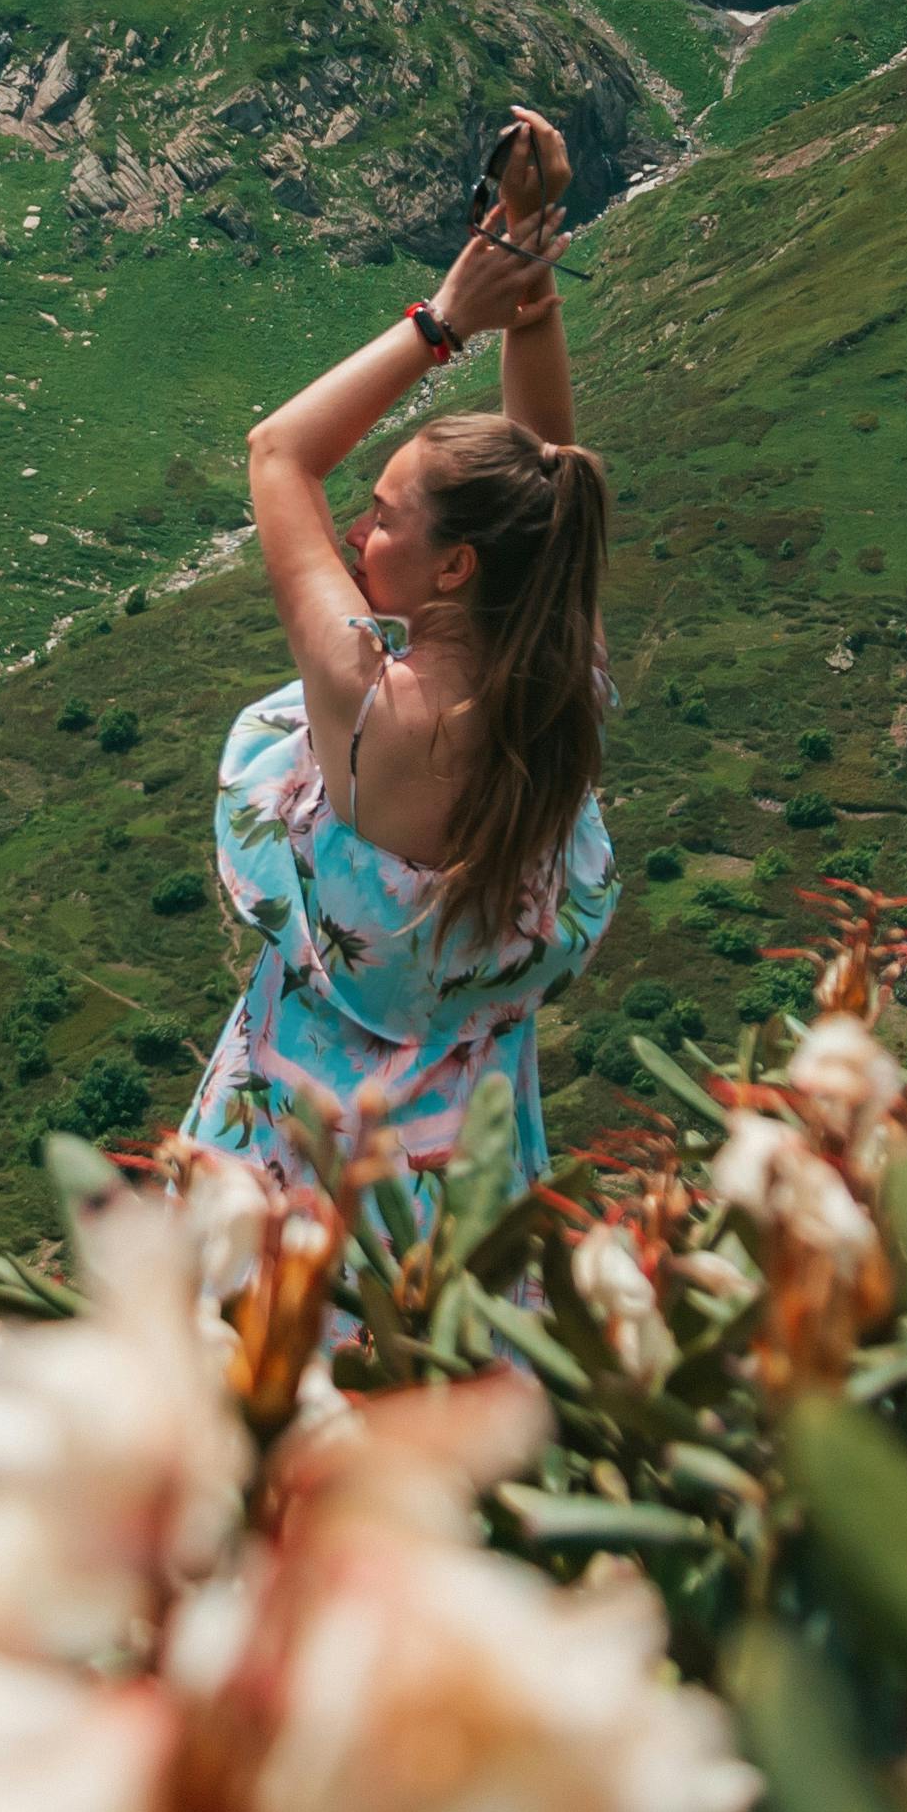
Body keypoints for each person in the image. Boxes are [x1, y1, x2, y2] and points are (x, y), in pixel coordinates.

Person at [183, 104, 617, 1193]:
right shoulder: (563, 679)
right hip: (463, 1170)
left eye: (381, 517)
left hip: (293, 1160)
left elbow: (279, 453)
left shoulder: (371, 707)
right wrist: (525, 265)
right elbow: (547, 468)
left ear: (455, 567)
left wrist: (444, 319)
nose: (354, 533)